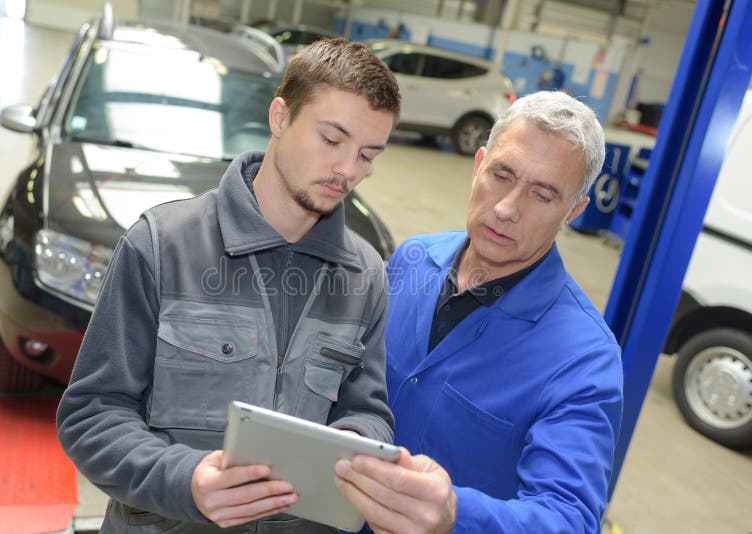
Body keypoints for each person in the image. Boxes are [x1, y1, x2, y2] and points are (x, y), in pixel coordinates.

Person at [56, 38, 401, 533]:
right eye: (332, 139)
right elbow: (92, 414)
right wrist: (184, 480)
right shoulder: (160, 245)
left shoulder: (365, 274)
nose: (348, 170)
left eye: (368, 154)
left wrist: (349, 444)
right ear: (280, 117)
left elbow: (368, 411)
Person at [334, 91, 624, 533]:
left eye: (542, 195)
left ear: (574, 211)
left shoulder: (584, 359)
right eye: (501, 175)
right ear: (478, 163)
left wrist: (454, 514)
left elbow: (569, 519)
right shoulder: (413, 259)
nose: (507, 208)